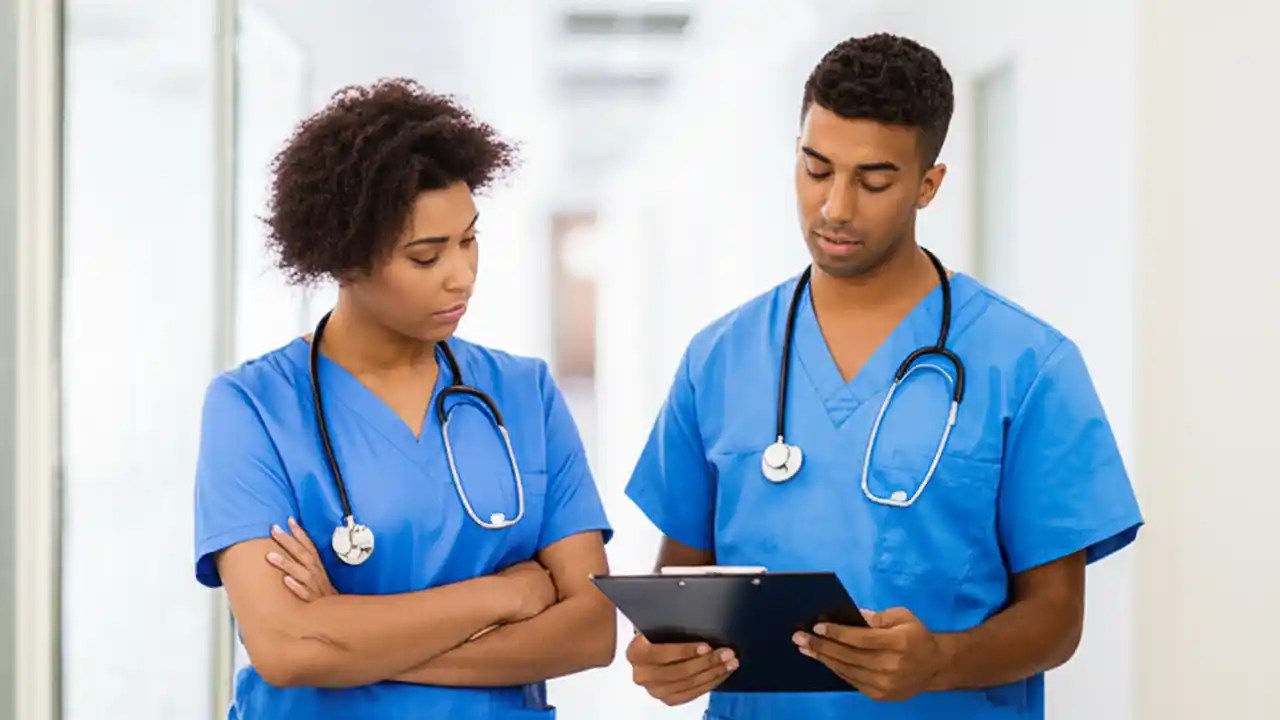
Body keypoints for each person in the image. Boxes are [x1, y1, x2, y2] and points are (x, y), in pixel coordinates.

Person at [621, 33, 1143, 719]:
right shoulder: (719, 358)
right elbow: (682, 583)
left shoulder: (1028, 366)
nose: (836, 207)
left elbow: (1056, 619)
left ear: (929, 184)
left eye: (873, 181)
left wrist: (941, 661)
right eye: (815, 169)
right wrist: (666, 658)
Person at [193, 78, 615, 719]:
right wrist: (499, 600)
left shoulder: (524, 395)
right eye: (426, 256)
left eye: (469, 240)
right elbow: (283, 648)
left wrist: (347, 635)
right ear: (346, 259)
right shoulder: (253, 409)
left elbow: (591, 631)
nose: (462, 275)